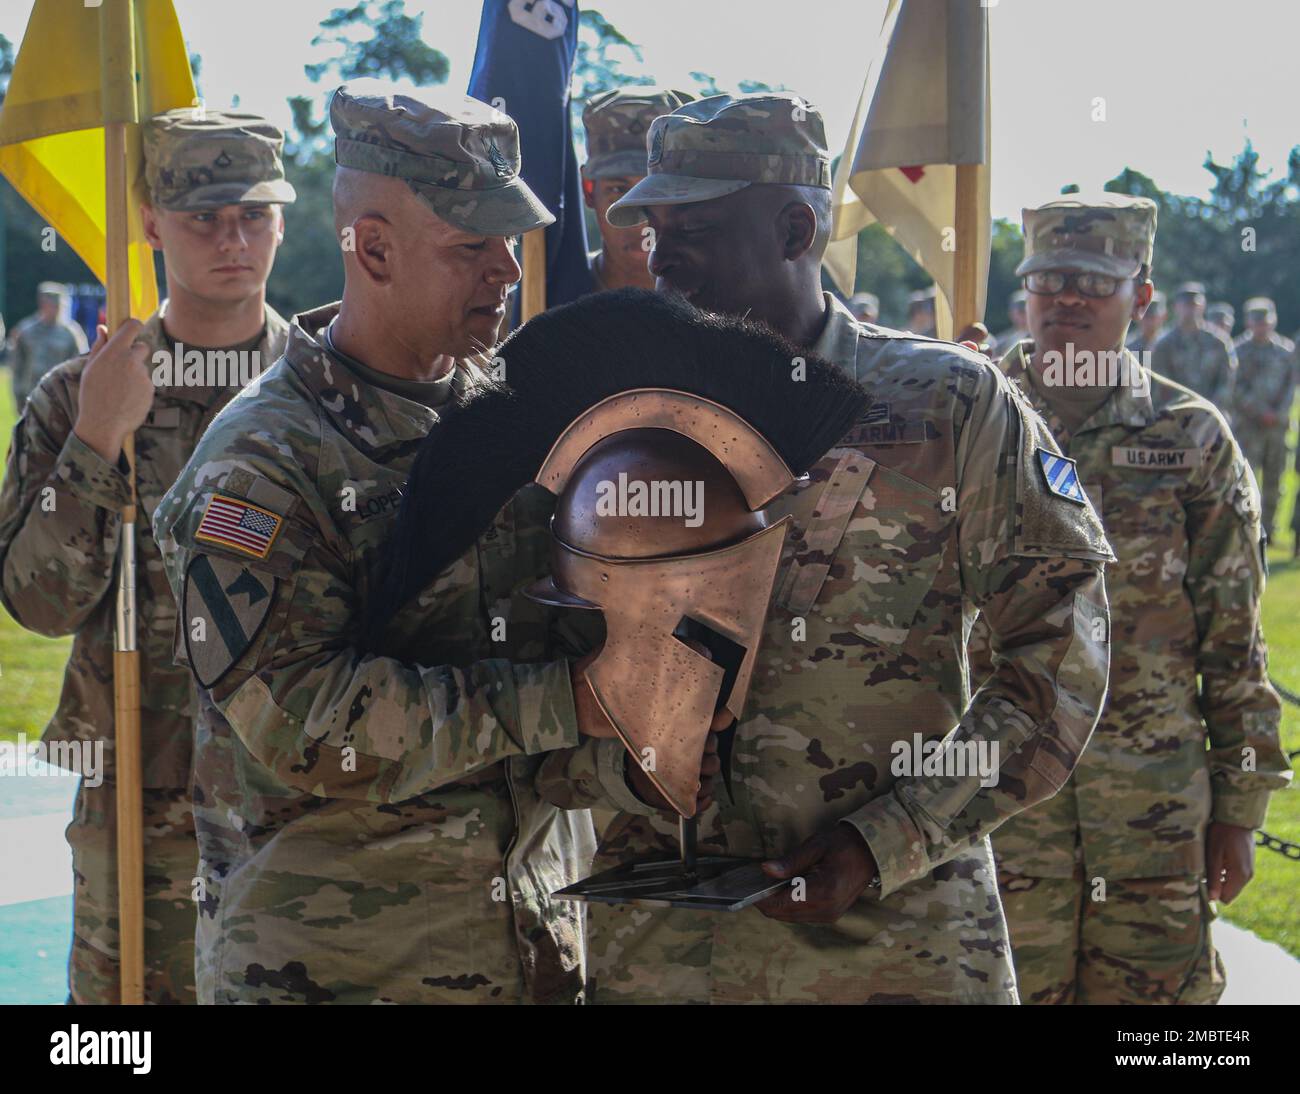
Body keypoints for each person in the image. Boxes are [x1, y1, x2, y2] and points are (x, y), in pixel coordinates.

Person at [536, 92, 1114, 1004]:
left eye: (694, 230)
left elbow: (1060, 664)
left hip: (895, 953)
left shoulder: (947, 406)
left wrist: (885, 839)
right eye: (652, 232)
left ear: (796, 228)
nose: (661, 262)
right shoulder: (609, 425)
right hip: (664, 959)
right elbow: (536, 661)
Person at [154, 82, 599, 1005]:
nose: (507, 272)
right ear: (373, 246)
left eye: (510, 242)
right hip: (342, 968)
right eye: (472, 246)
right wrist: (572, 704)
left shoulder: (521, 418)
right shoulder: (263, 462)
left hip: (535, 950)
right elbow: (308, 722)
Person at [0, 110, 295, 1003]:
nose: (232, 239)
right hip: (138, 803)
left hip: (301, 810)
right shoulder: (79, 394)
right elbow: (39, 604)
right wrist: (97, 436)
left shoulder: (328, 390)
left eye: (254, 214)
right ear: (151, 223)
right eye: (203, 216)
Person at [971, 194, 1290, 1004]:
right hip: (995, 807)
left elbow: (1234, 642)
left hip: (1151, 811)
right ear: (1025, 290)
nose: (1068, 299)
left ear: (1141, 297)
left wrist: (1240, 808)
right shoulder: (966, 418)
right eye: (1051, 281)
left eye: (1094, 283)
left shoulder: (1193, 439)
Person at [581, 87, 691, 293]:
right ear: (588, 190)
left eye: (660, 191)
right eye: (619, 190)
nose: (641, 219)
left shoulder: (727, 306)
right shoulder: (538, 301)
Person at [1231, 298, 1296, 543]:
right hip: (1248, 427)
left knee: (1275, 480)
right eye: (1257, 322)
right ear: (1248, 322)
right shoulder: (1237, 351)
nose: (1261, 326)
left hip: (1277, 428)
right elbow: (1236, 388)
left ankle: (1269, 529)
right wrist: (1260, 411)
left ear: (1273, 321)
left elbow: (1291, 386)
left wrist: (1277, 413)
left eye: (1265, 322)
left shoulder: (1285, 351)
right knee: (1246, 479)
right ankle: (1247, 526)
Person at [1151, 281, 1236, 412]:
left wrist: (1210, 411)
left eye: (1194, 305)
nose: (1191, 310)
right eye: (1186, 305)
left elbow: (1226, 383)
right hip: (1176, 417)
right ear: (1176, 307)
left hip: (1212, 418)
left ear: (1203, 306)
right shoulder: (1164, 345)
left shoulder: (1219, 342)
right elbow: (1160, 386)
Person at [8, 283, 88, 409]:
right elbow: (17, 364)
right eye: (50, 304)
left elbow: (81, 365)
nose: (54, 309)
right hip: (31, 395)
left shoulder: (71, 333)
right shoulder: (26, 330)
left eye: (58, 305)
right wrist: (18, 394)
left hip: (60, 398)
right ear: (42, 304)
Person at [1125, 289, 1166, 354]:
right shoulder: (1128, 348)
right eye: (1145, 316)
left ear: (1163, 316)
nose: (1149, 322)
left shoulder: (1170, 344)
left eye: (1152, 317)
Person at [992, 288, 1028, 357]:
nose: (1023, 316)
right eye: (1020, 312)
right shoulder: (1002, 342)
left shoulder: (1041, 339)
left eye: (1025, 311)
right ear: (1011, 314)